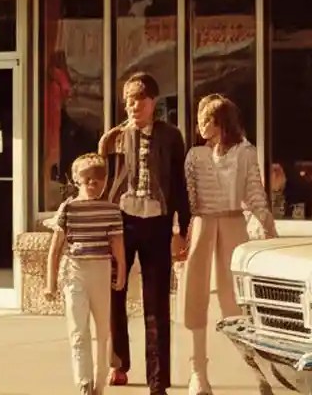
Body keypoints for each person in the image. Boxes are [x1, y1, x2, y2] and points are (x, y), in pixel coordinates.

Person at [181, 94, 278, 395]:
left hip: (234, 224)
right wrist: (179, 234)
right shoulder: (195, 155)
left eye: (207, 119)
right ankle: (198, 372)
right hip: (201, 225)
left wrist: (268, 225)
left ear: (221, 122)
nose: (201, 124)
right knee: (194, 300)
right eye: (200, 118)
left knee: (238, 303)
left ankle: (258, 371)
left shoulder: (245, 151)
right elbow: (186, 198)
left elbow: (254, 191)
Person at [100, 72, 190, 395]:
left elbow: (180, 186)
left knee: (156, 302)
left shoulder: (171, 136)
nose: (132, 106)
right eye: (127, 100)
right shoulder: (114, 137)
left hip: (158, 222)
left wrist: (181, 228)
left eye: (138, 99)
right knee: (116, 292)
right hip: (122, 222)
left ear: (153, 102)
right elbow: (102, 182)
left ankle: (158, 380)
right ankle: (119, 363)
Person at [45, 153, 127, 395]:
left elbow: (118, 246)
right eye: (87, 179)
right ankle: (83, 383)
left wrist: (120, 271)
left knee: (102, 332)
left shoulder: (111, 210)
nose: (93, 184)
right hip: (74, 271)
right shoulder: (68, 208)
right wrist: (50, 283)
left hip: (100, 270)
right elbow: (55, 248)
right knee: (78, 331)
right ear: (76, 180)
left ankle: (98, 386)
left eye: (99, 179)